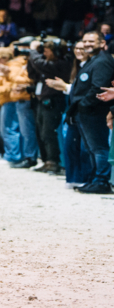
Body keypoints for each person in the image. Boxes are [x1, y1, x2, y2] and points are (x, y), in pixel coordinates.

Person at [65, 33, 114, 193]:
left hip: (94, 111)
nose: (87, 44)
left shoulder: (103, 61)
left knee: (98, 147)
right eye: (85, 41)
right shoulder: (94, 60)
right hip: (86, 111)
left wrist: (84, 105)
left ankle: (102, 181)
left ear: (101, 43)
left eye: (91, 41)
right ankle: (95, 179)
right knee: (92, 148)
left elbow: (98, 87)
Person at [28, 38, 71, 174]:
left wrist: (33, 51)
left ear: (56, 52)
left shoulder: (62, 64)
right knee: (41, 131)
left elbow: (39, 64)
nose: (44, 54)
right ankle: (47, 160)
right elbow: (32, 71)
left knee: (49, 131)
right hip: (43, 99)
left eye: (46, 51)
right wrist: (33, 55)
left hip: (54, 100)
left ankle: (54, 161)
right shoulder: (46, 64)